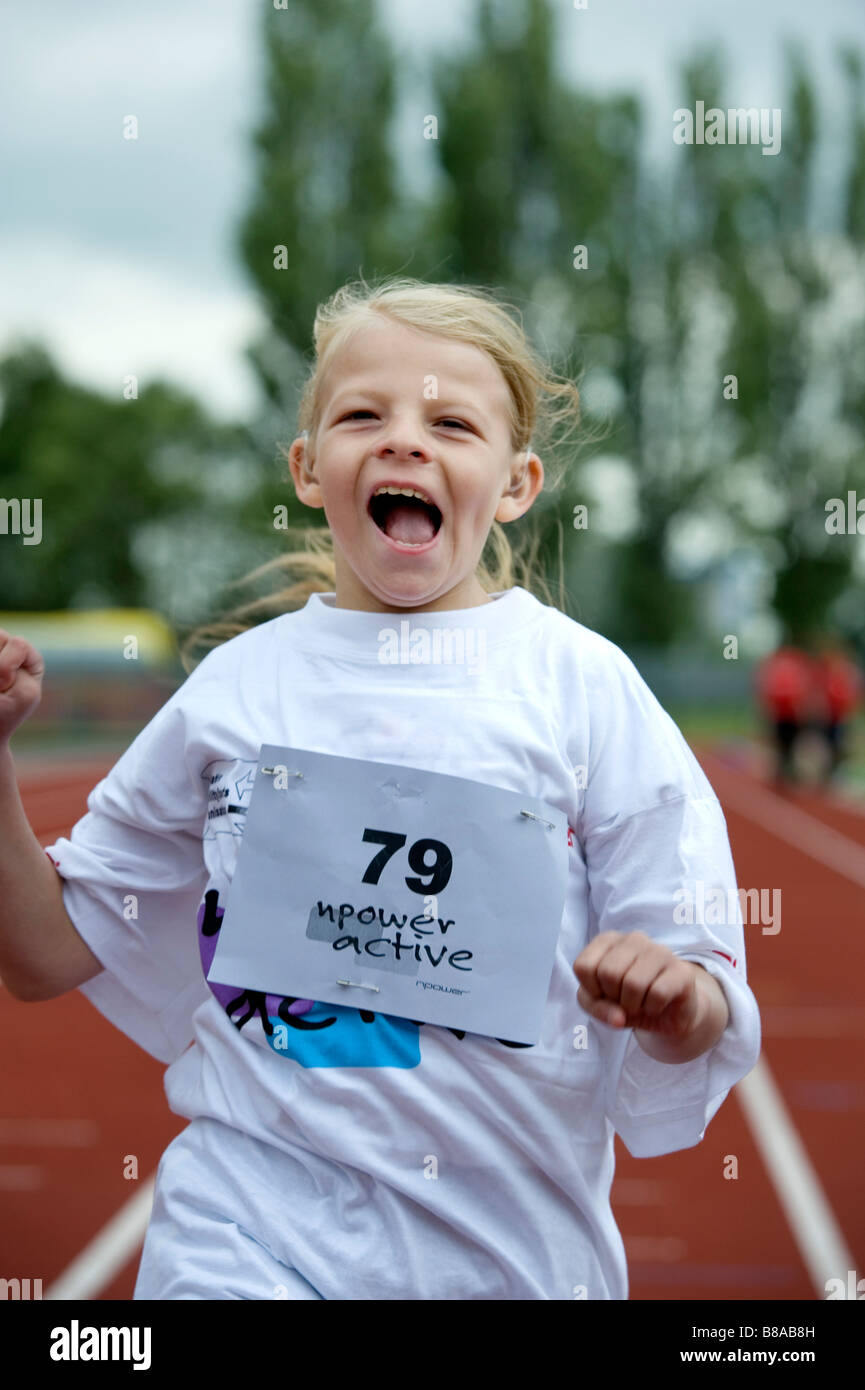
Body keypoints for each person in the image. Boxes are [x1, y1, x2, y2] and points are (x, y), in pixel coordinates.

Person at [0, 276, 760, 1302]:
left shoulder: (581, 687)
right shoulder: (236, 688)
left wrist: (679, 997)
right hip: (240, 1234)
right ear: (309, 468)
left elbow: (698, 969)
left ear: (518, 480)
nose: (405, 441)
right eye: (364, 415)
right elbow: (44, 949)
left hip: (511, 1254)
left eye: (451, 421)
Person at [753, 641, 818, 786]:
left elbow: (805, 690)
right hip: (782, 714)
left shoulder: (794, 667)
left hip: (792, 715)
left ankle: (789, 771)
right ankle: (783, 771)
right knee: (783, 744)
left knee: (791, 744)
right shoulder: (778, 667)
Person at [810, 635, 864, 785]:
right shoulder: (825, 673)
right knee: (826, 745)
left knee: (840, 746)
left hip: (841, 716)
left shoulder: (848, 672)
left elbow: (855, 694)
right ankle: (827, 772)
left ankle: (836, 772)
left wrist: (852, 711)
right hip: (827, 716)